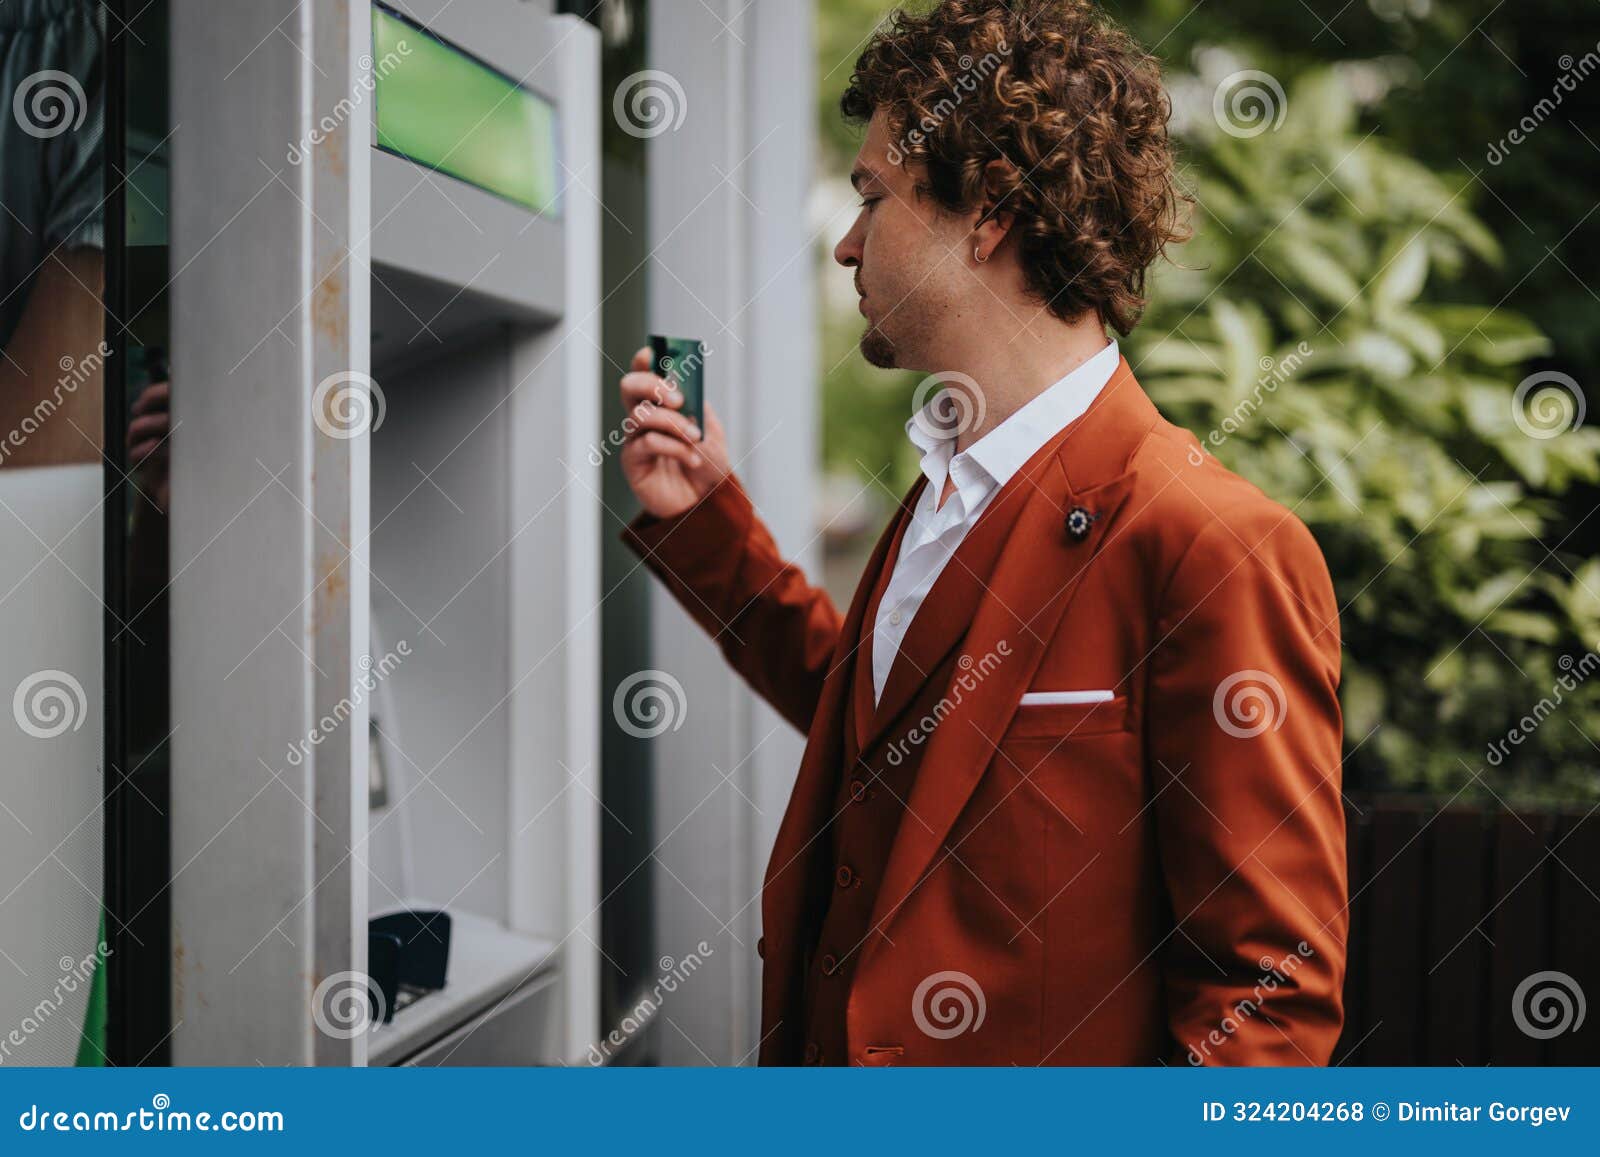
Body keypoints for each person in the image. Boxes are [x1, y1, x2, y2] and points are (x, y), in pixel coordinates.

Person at [617, 0, 1346, 1066]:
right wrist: (711, 526)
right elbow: (886, 733)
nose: (846, 243)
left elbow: (1269, 997)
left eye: (873, 196)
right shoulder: (945, 483)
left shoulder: (1211, 542)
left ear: (988, 214)